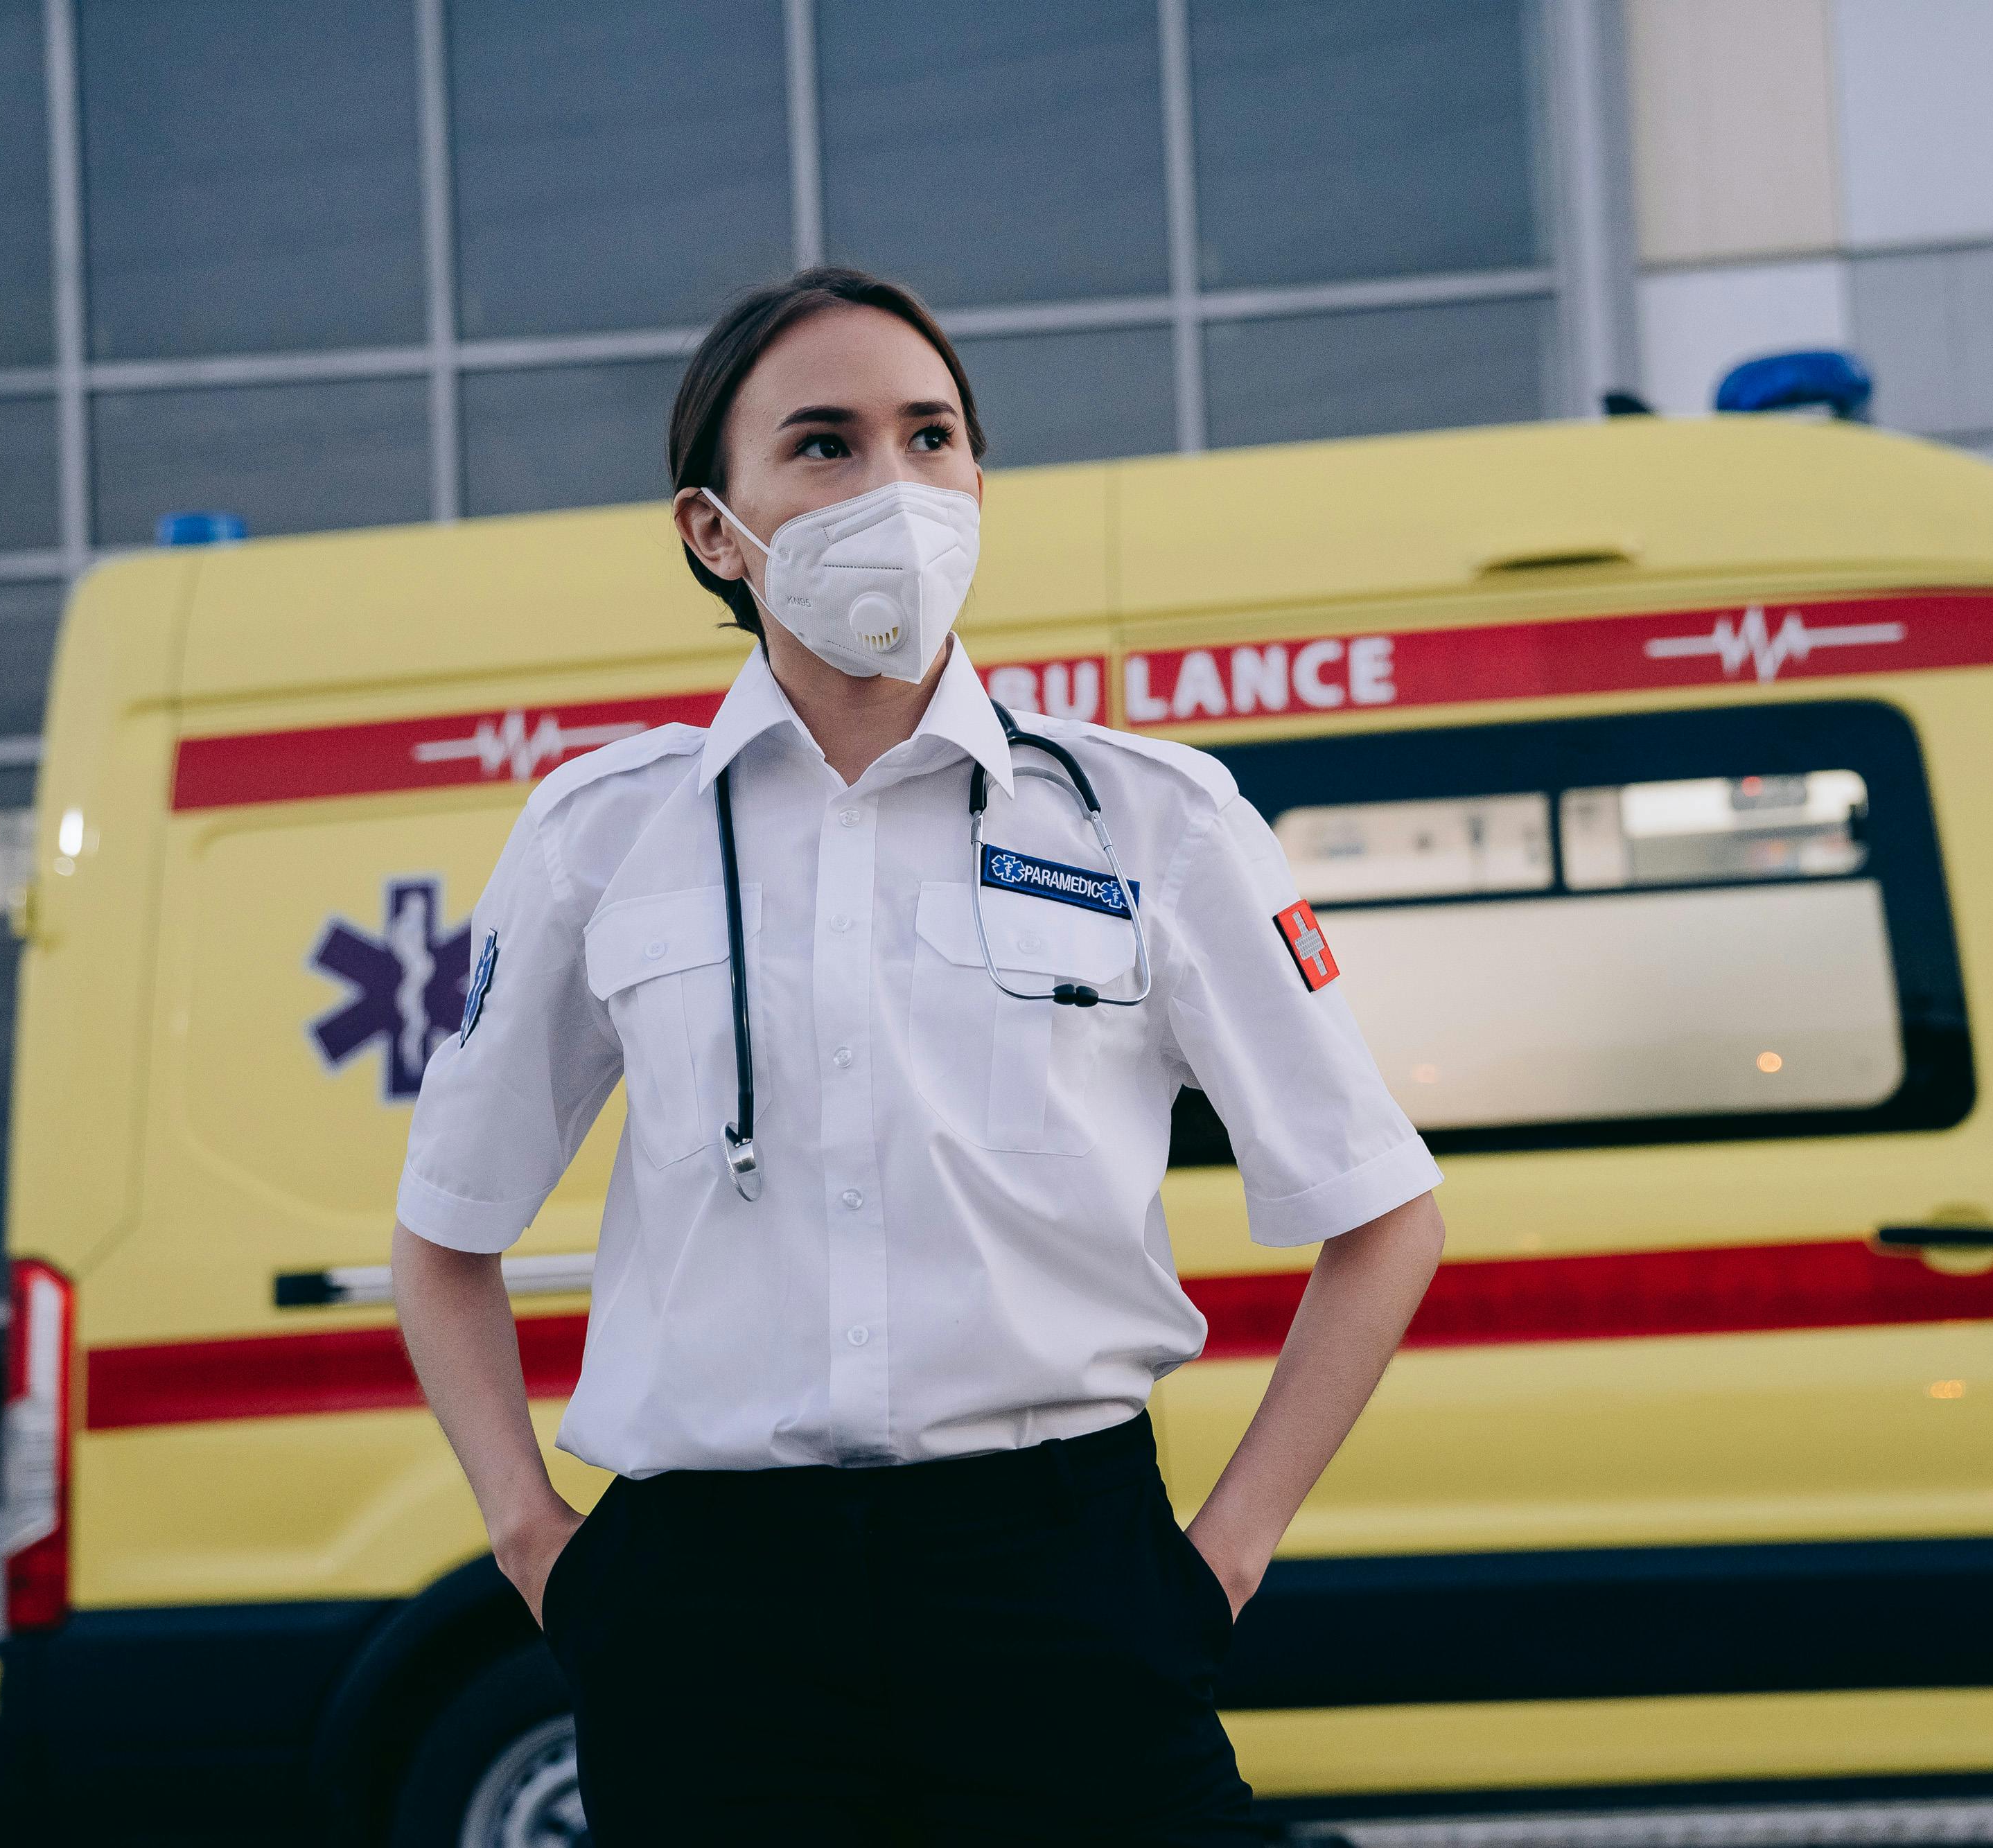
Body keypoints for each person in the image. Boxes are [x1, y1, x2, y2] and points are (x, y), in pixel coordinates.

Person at [389, 265, 1448, 1845]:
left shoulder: (1147, 817)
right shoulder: (605, 836)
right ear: (710, 527)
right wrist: (539, 1539)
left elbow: (1381, 1215)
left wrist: (1219, 1554)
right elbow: (444, 1234)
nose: (890, 486)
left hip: (1055, 1570)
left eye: (929, 435)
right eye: (822, 443)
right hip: (708, 1615)